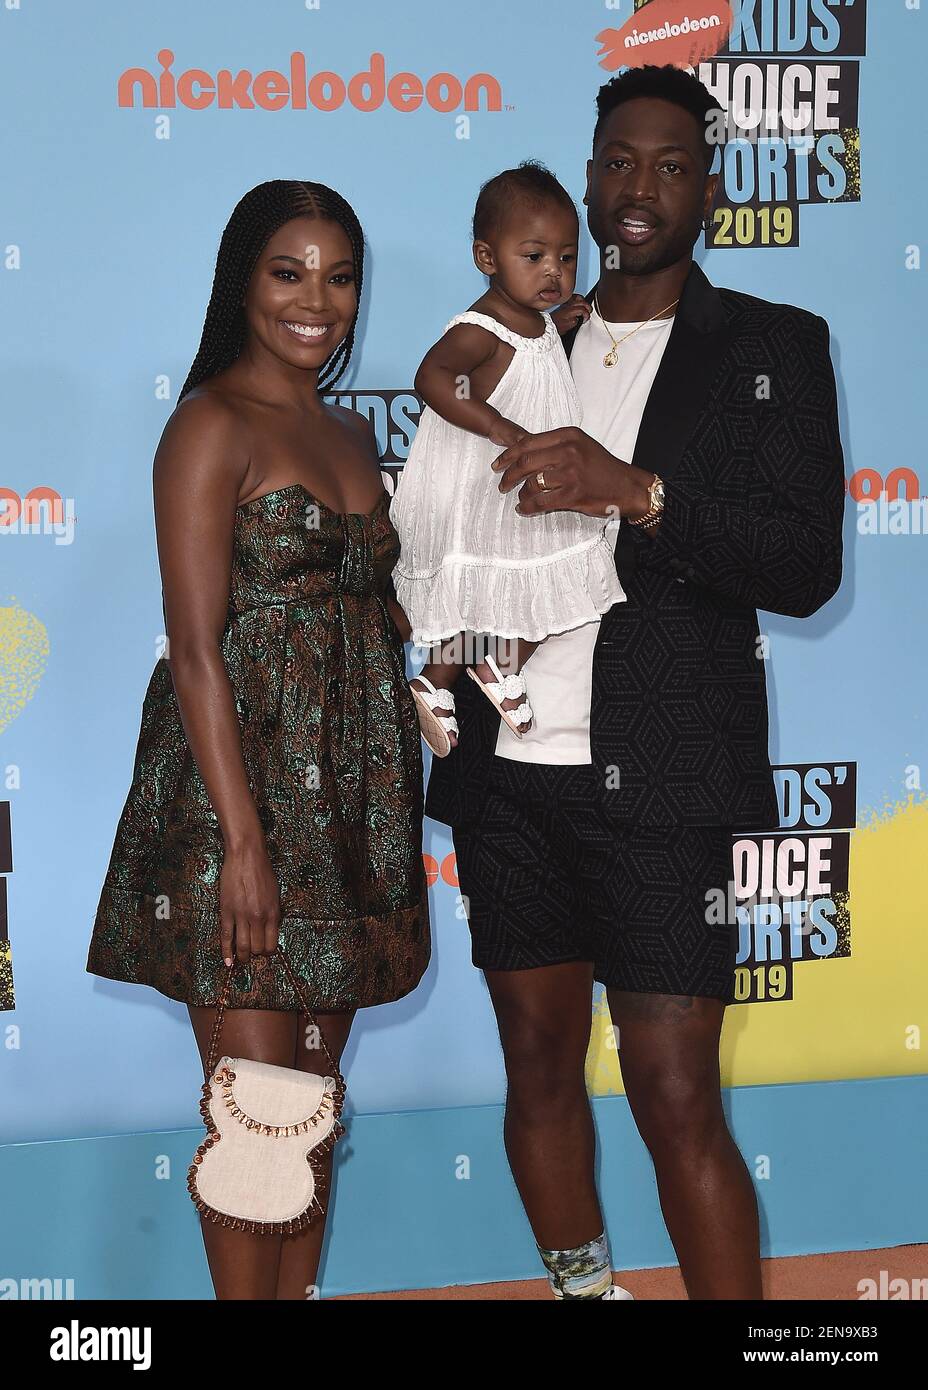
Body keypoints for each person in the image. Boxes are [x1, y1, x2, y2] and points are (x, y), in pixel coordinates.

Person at [424, 65, 845, 1300]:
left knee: (672, 1092)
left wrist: (638, 492)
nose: (637, 188)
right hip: (509, 780)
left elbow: (804, 564)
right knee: (539, 1071)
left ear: (710, 187)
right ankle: (586, 1296)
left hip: (666, 780)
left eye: (669, 165)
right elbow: (439, 514)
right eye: (617, 160)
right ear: (590, 170)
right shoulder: (514, 332)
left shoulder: (772, 345)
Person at [86, 180, 430, 1300]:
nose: (316, 302)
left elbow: (362, 608)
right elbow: (194, 647)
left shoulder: (347, 429)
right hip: (240, 805)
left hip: (348, 810)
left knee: (309, 1119)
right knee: (259, 1123)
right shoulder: (209, 424)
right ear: (243, 281)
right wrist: (242, 842)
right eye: (289, 272)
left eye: (339, 278)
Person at [390, 162, 625, 758]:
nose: (555, 272)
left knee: (559, 585)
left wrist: (556, 320)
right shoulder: (482, 327)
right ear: (486, 258)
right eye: (534, 257)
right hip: (481, 489)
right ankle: (437, 681)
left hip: (521, 489)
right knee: (479, 593)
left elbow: (539, 342)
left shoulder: (535, 320)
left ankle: (496, 666)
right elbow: (432, 377)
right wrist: (498, 426)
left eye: (567, 258)